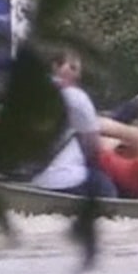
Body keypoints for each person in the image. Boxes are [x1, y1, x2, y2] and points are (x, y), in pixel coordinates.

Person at [30, 49, 117, 197]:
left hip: (31, 178)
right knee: (107, 186)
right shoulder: (76, 96)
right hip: (67, 181)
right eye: (72, 68)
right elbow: (92, 147)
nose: (77, 75)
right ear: (55, 67)